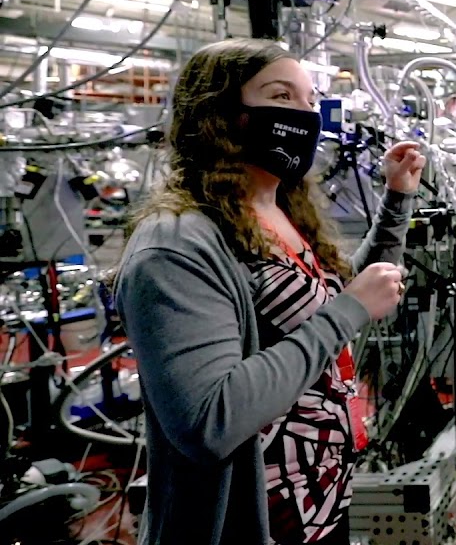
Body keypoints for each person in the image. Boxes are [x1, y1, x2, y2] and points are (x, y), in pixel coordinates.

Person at [114, 39, 426, 545]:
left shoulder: (277, 211)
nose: (305, 115)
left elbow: (338, 302)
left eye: (309, 100)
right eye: (281, 96)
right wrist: (347, 310)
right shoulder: (176, 245)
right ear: (220, 114)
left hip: (322, 500)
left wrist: (397, 201)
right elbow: (208, 421)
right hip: (253, 520)